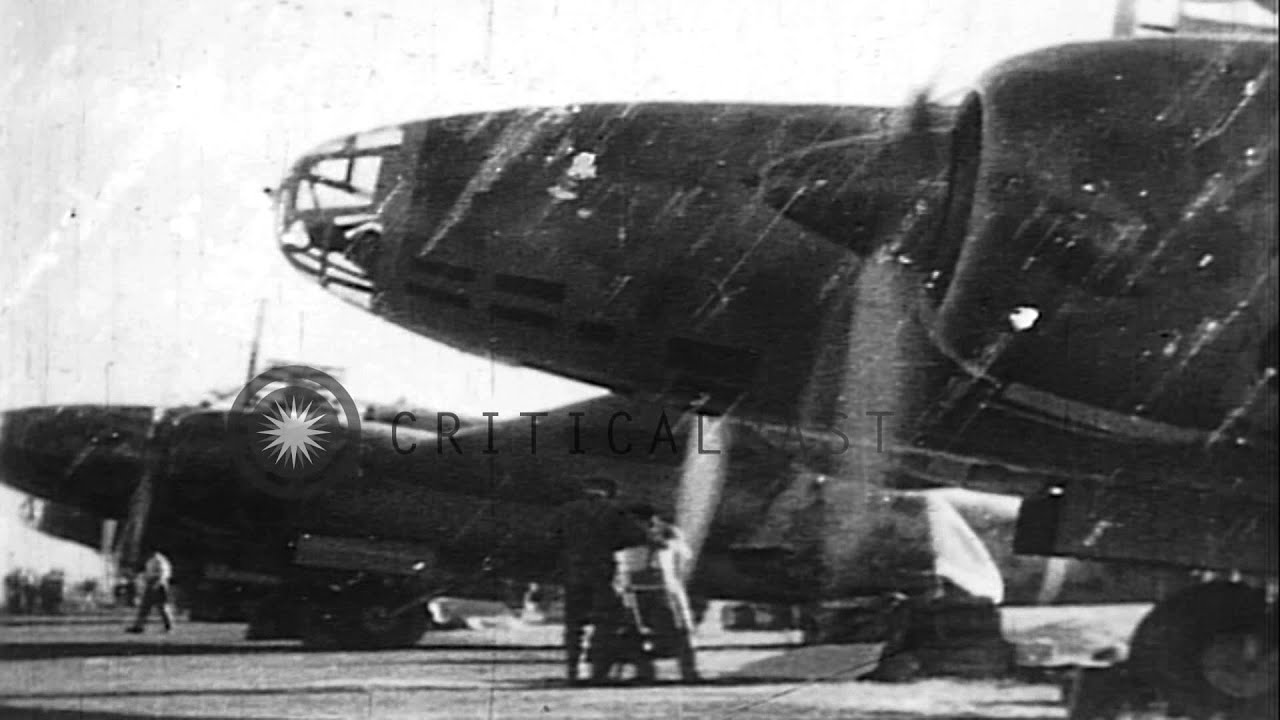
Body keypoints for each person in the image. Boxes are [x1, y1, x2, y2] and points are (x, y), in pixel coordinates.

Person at [547, 477, 646, 684]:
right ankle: (598, 672)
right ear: (609, 492)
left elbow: (552, 537)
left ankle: (574, 670)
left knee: (574, 625)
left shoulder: (566, 510)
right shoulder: (614, 511)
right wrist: (610, 545)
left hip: (574, 572)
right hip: (603, 573)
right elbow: (637, 536)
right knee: (605, 623)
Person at [609, 504, 700, 682]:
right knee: (632, 632)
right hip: (635, 589)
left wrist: (666, 542)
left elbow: (685, 553)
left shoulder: (668, 532)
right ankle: (644, 671)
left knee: (679, 631)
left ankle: (689, 671)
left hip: (664, 588)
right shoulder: (625, 535)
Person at [126, 551, 174, 633]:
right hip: (154, 583)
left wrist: (156, 584)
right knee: (150, 607)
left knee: (160, 607)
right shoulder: (153, 560)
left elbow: (162, 573)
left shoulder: (159, 560)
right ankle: (139, 626)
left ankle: (168, 627)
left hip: (157, 584)